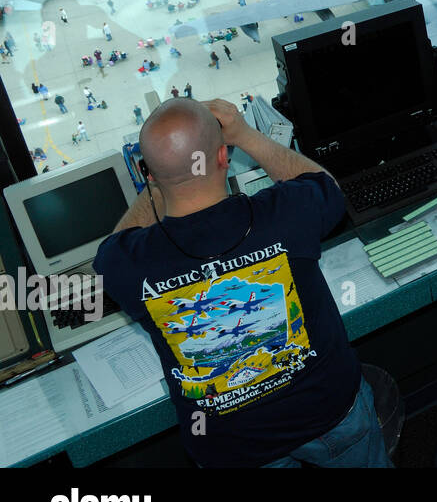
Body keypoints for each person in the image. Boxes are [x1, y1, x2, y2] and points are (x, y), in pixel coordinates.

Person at [94, 98, 391, 468]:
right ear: (224, 157)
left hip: (233, 448)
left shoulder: (125, 262)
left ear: (147, 173)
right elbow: (325, 185)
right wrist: (244, 134)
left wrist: (163, 175)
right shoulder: (286, 212)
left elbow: (108, 250)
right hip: (329, 414)